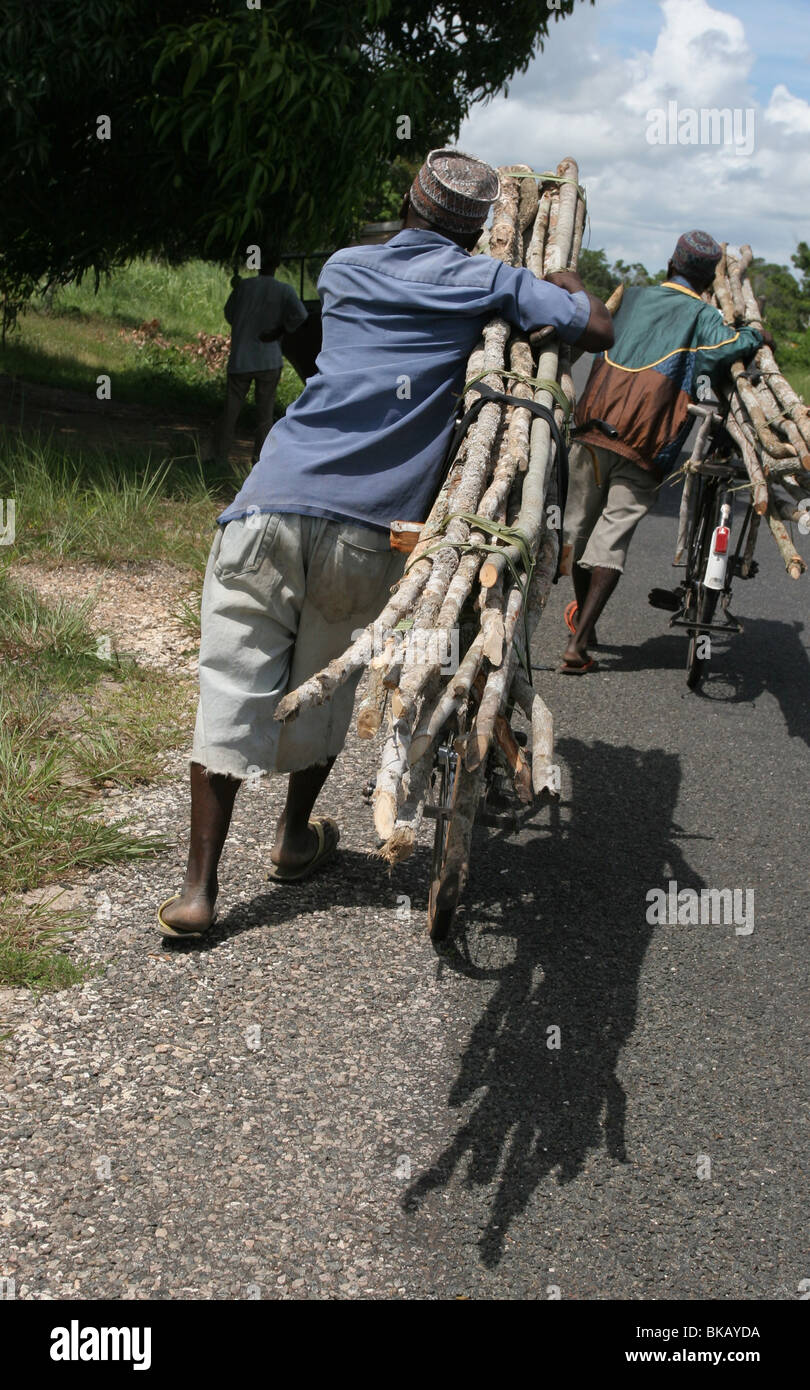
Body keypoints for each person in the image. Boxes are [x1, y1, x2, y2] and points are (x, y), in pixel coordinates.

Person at [157, 148, 614, 938]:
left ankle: (199, 891)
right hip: (369, 528)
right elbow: (596, 327)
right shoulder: (483, 281)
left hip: (264, 505)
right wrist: (561, 284)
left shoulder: (343, 268)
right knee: (328, 685)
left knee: (228, 692)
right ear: (479, 232)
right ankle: (296, 838)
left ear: (405, 207)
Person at [560, 229, 771, 674]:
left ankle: (582, 618)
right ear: (709, 280)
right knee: (610, 540)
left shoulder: (632, 296)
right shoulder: (701, 314)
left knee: (578, 531)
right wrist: (755, 332)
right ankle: (578, 645)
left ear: (671, 264)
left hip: (592, 423)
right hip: (646, 438)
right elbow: (727, 350)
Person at [216, 256, 308, 462]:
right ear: (276, 266)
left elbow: (229, 314)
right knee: (264, 414)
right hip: (269, 358)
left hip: (241, 357)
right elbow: (301, 315)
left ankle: (220, 454)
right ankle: (259, 459)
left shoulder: (243, 287)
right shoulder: (284, 290)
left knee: (231, 411)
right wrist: (280, 330)